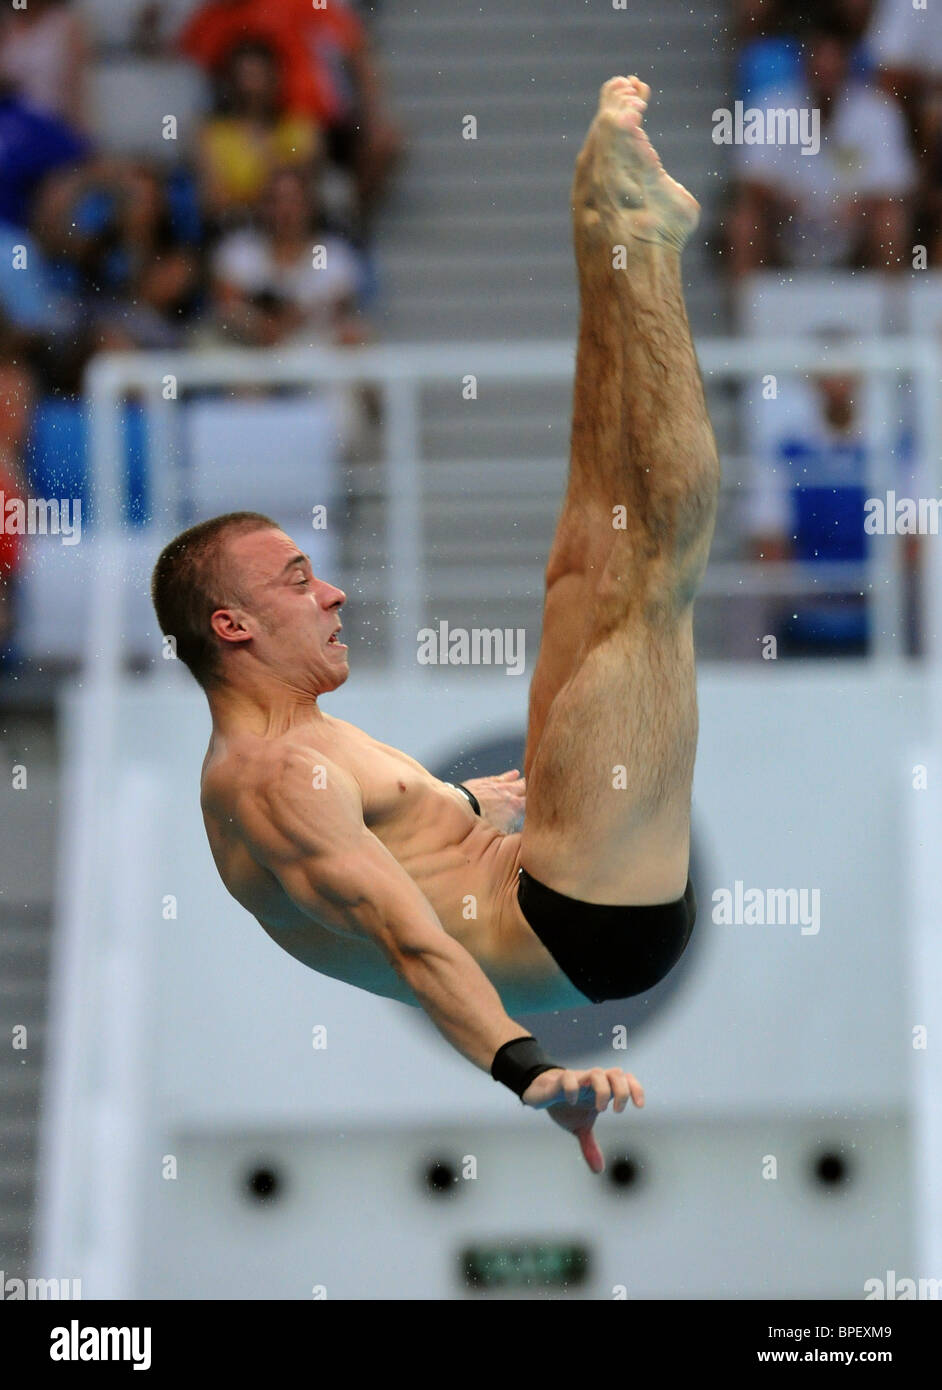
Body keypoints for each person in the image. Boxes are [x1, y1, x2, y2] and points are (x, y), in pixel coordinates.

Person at [151, 78, 719, 1174]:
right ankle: (648, 254)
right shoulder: (273, 781)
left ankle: (609, 232)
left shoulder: (298, 754)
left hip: (535, 854)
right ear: (231, 623)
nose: (334, 596)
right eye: (299, 580)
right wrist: (529, 1071)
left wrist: (470, 799)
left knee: (580, 560)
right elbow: (410, 939)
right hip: (584, 920)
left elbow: (406, 839)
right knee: (652, 572)